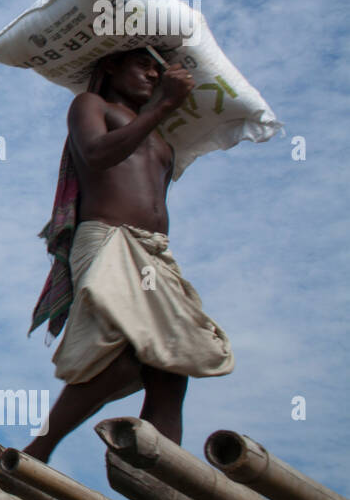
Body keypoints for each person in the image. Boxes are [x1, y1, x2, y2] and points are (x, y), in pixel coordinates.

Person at [22, 49, 233, 462]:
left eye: (159, 71)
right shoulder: (91, 105)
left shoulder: (161, 140)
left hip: (154, 254)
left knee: (170, 374)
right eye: (144, 66)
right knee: (119, 359)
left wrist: (161, 110)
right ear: (111, 66)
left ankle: (161, 492)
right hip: (108, 242)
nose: (153, 75)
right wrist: (164, 104)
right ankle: (37, 451)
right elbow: (98, 154)